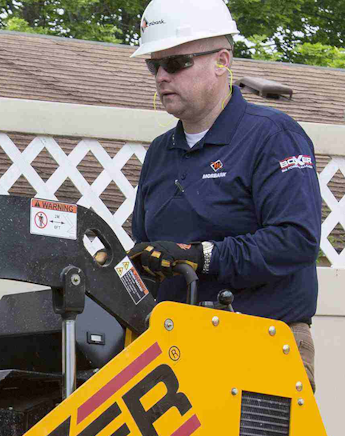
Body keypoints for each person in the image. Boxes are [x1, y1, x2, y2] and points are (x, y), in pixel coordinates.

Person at [125, 0, 323, 397]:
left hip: (261, 343)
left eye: (176, 63)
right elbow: (147, 254)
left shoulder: (273, 136)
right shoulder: (160, 152)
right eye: (154, 65)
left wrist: (202, 256)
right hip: (173, 354)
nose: (162, 76)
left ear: (221, 60)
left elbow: (297, 240)